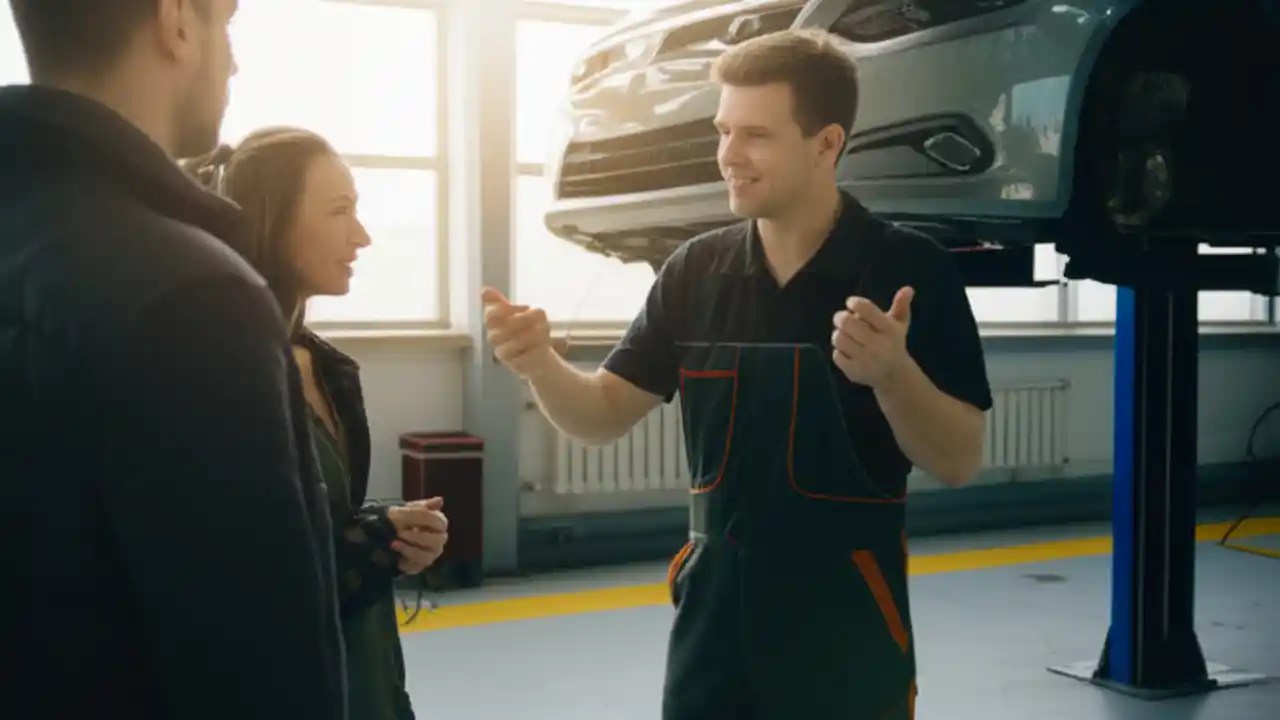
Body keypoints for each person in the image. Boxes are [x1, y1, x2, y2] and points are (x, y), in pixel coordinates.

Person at [484, 28, 992, 719]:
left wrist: (893, 375)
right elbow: (601, 415)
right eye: (723, 130)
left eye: (755, 134)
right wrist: (539, 364)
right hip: (714, 623)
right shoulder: (695, 271)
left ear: (826, 143)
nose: (728, 155)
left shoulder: (908, 270)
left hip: (845, 619)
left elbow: (959, 460)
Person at [0, 1, 348, 718]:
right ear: (177, 20)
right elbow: (256, 673)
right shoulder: (189, 296)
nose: (236, 60)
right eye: (228, 23)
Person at [185, 127, 451, 720]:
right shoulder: (219, 378)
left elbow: (317, 524)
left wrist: (387, 529)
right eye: (340, 211)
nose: (361, 235)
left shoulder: (326, 369)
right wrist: (370, 547)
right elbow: (240, 583)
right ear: (271, 219)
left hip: (366, 673)